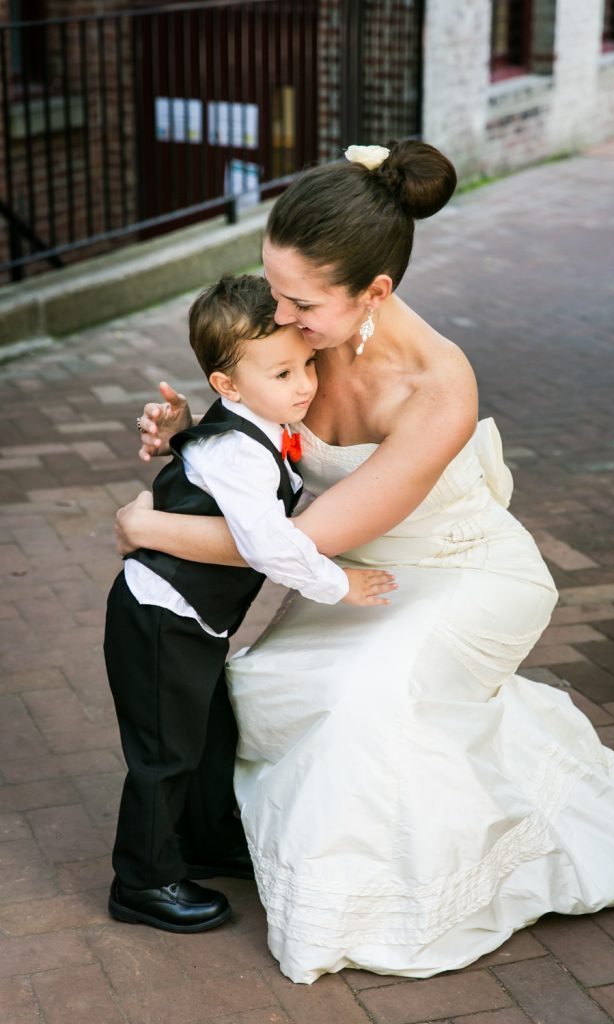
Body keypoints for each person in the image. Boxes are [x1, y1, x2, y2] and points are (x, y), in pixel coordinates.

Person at [121, 140, 614, 981]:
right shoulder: (294, 328)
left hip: (460, 572)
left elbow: (300, 542)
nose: (279, 314)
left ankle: (383, 895)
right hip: (354, 574)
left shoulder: (437, 386)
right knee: (254, 688)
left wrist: (145, 527)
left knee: (358, 703)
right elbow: (244, 423)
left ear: (373, 292)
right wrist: (187, 441)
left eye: (300, 302)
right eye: (273, 289)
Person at [104, 272, 396, 935]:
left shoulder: (255, 422)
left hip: (195, 619)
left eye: (306, 365)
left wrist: (180, 428)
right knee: (164, 754)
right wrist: (337, 584)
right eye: (282, 373)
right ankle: (141, 882)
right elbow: (267, 543)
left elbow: (208, 457)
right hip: (159, 618)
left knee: (211, 736)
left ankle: (205, 840)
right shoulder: (239, 447)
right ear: (228, 386)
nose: (303, 385)